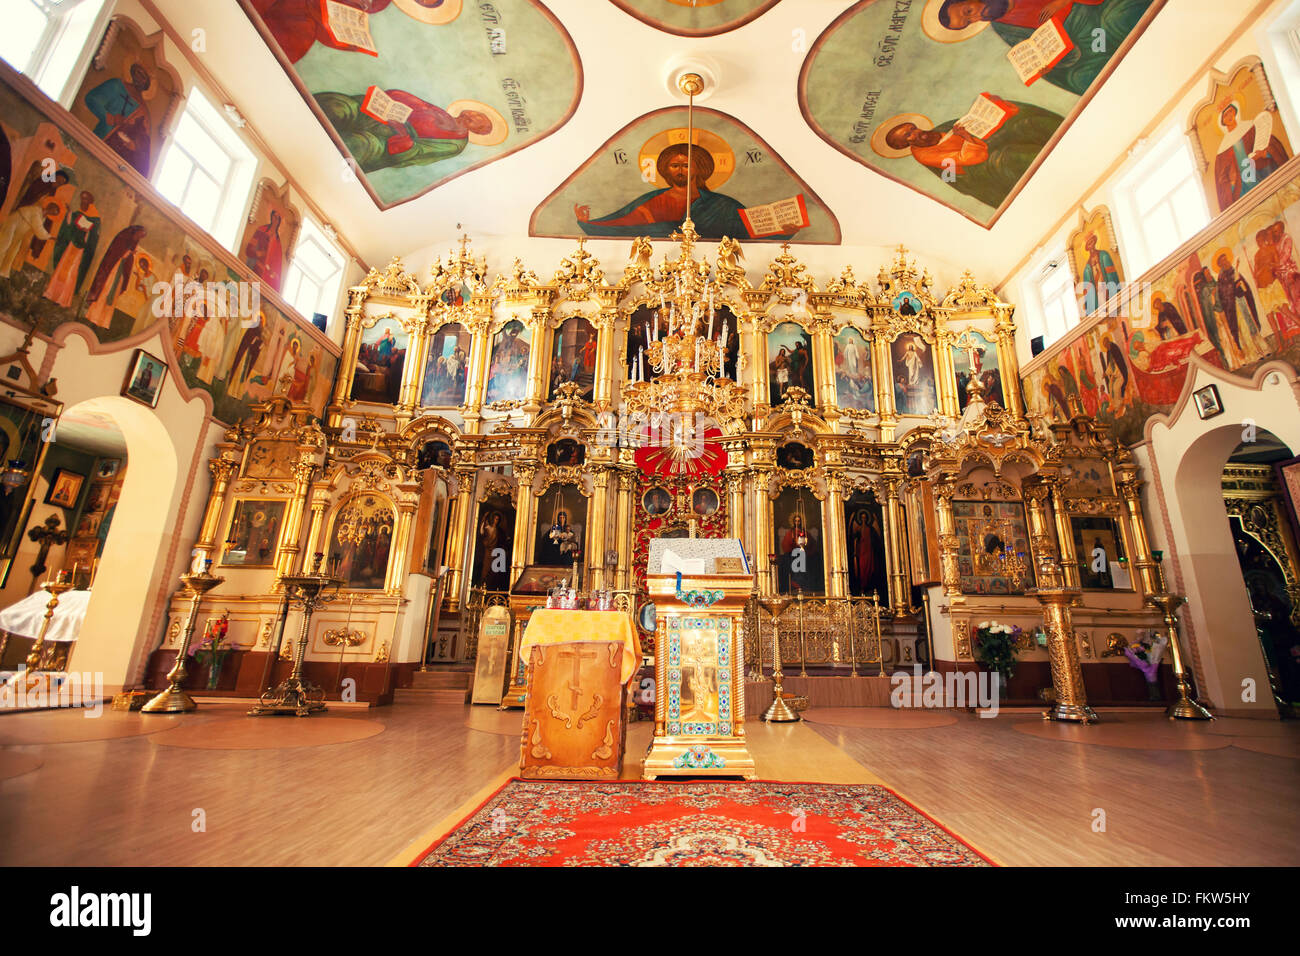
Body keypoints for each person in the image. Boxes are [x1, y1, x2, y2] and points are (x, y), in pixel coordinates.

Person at [877, 98, 1063, 210]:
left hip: (986, 144)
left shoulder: (942, 128)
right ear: (904, 144)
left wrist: (997, 107)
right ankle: (1057, 173)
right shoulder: (925, 156)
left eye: (912, 128)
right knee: (1011, 157)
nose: (915, 133)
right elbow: (968, 161)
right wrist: (966, 137)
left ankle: (1067, 140)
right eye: (908, 135)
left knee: (1027, 124)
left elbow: (974, 123)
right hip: (979, 170)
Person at [576, 143, 785, 241]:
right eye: (674, 165)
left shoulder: (723, 205)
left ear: (698, 169)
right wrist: (589, 223)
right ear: (666, 169)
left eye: (686, 165)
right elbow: (624, 223)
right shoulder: (653, 201)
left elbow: (749, 228)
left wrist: (783, 231)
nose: (680, 170)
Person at [1213, 101, 1288, 211]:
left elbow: (1270, 143)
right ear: (1222, 122)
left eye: (1230, 112)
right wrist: (1232, 184)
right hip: (1242, 188)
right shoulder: (1222, 149)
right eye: (1225, 116)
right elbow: (1221, 180)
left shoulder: (1250, 128)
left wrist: (1263, 153)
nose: (1229, 116)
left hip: (1261, 174)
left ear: (1235, 112)